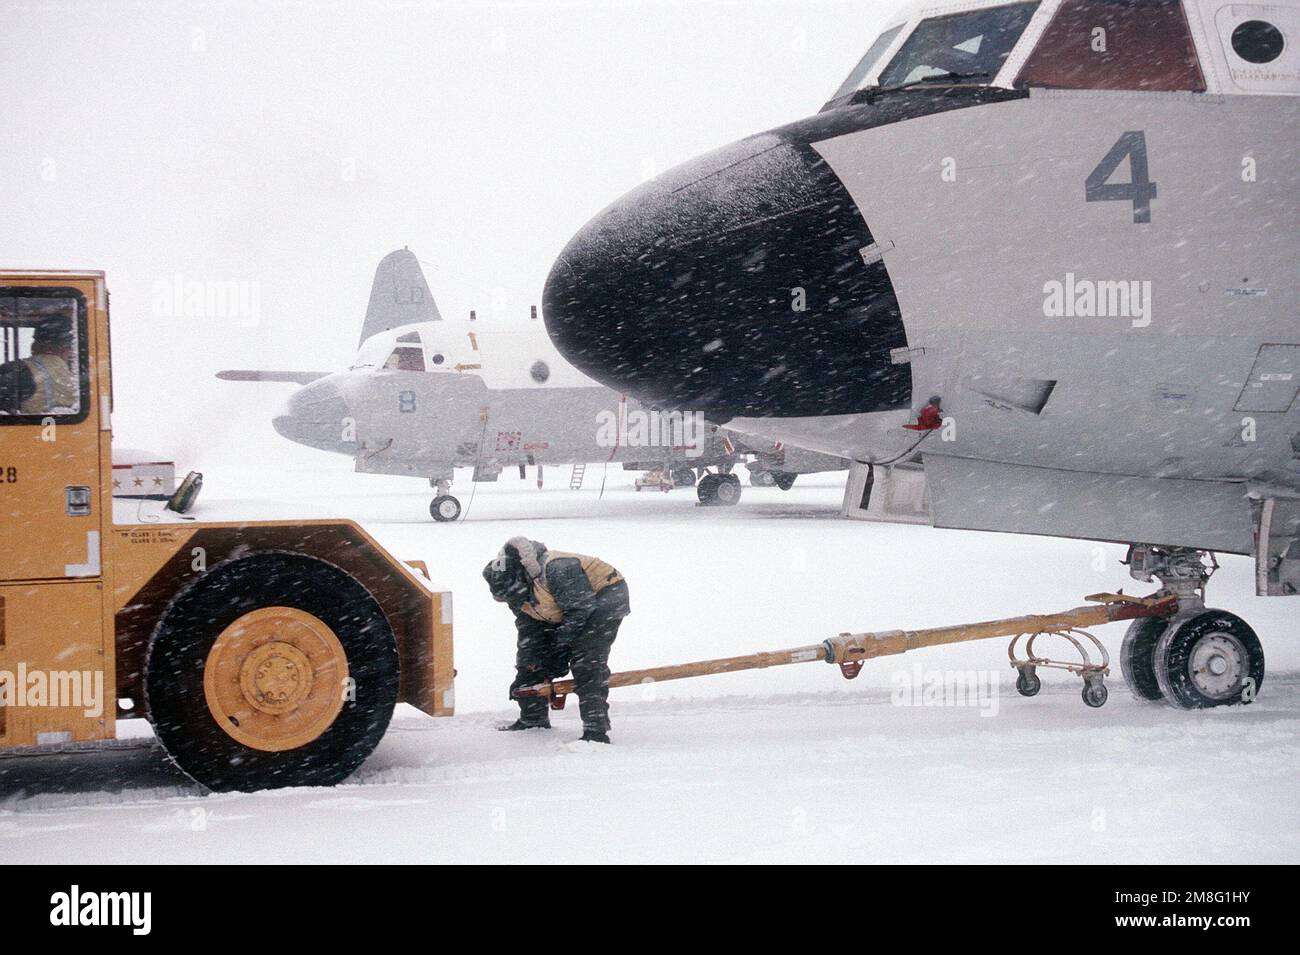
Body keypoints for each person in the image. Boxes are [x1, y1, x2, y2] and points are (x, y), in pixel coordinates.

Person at [483, 536, 630, 743]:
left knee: (586, 660)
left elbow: (580, 611)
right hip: (565, 607)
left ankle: (595, 731)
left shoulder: (558, 569)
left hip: (604, 597)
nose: (517, 602)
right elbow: (529, 627)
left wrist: (560, 645)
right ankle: (533, 718)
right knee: (531, 656)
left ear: (525, 577)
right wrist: (532, 665)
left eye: (519, 595)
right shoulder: (513, 591)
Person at [18, 322, 77, 414]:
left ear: (37, 346)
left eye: (34, 342)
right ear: (66, 350)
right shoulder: (78, 378)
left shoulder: (19, 370)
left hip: (30, 426)